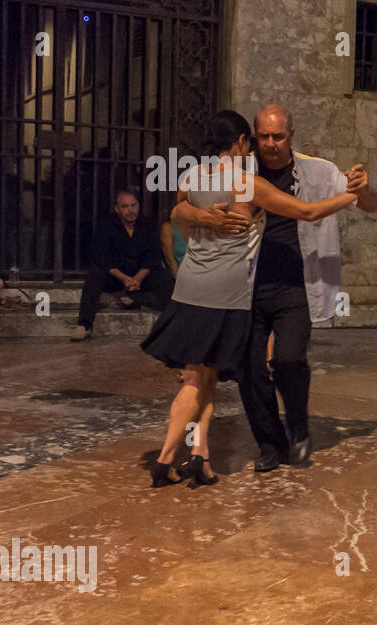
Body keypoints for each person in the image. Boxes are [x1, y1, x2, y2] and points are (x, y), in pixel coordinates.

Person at [141, 111, 360, 487]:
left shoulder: (192, 177)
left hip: (190, 286)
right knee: (199, 379)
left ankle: (200, 456)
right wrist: (348, 197)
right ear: (243, 141)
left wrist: (200, 220)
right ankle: (164, 460)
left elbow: (177, 211)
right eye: (256, 139)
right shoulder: (246, 183)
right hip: (228, 294)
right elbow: (306, 212)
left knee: (204, 378)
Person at [72, 188, 174, 341]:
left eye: (133, 205)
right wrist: (125, 279)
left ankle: (170, 324)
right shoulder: (106, 225)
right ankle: (85, 325)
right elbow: (101, 258)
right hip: (116, 276)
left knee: (164, 277)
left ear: (138, 206)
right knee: (95, 274)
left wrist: (137, 279)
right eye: (125, 207)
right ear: (117, 209)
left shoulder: (148, 224)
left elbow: (153, 256)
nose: (130, 210)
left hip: (140, 276)